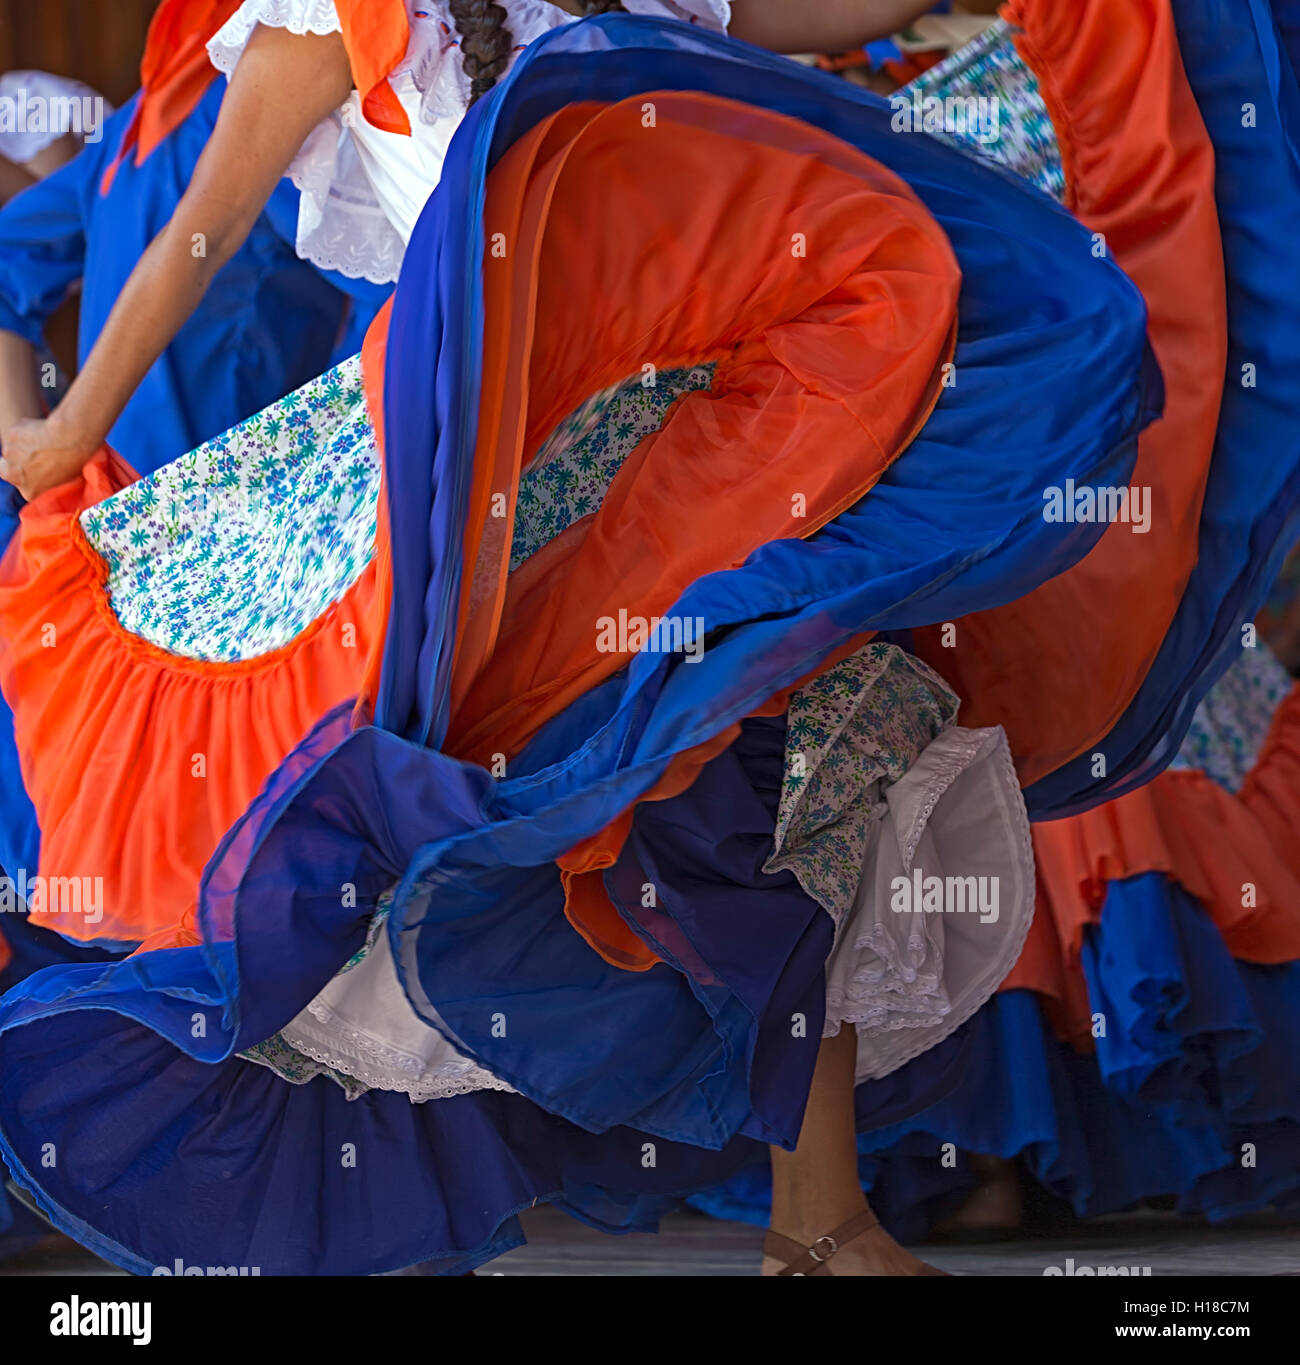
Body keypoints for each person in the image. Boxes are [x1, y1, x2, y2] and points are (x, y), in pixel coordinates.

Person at [0, 0, 1291, 1277]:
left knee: (800, 770)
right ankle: (780, 1216)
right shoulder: (334, 18)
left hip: (715, 452)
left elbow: (820, 30)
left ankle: (822, 1220)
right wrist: (68, 431)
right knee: (558, 836)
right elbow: (200, 233)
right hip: (505, 504)